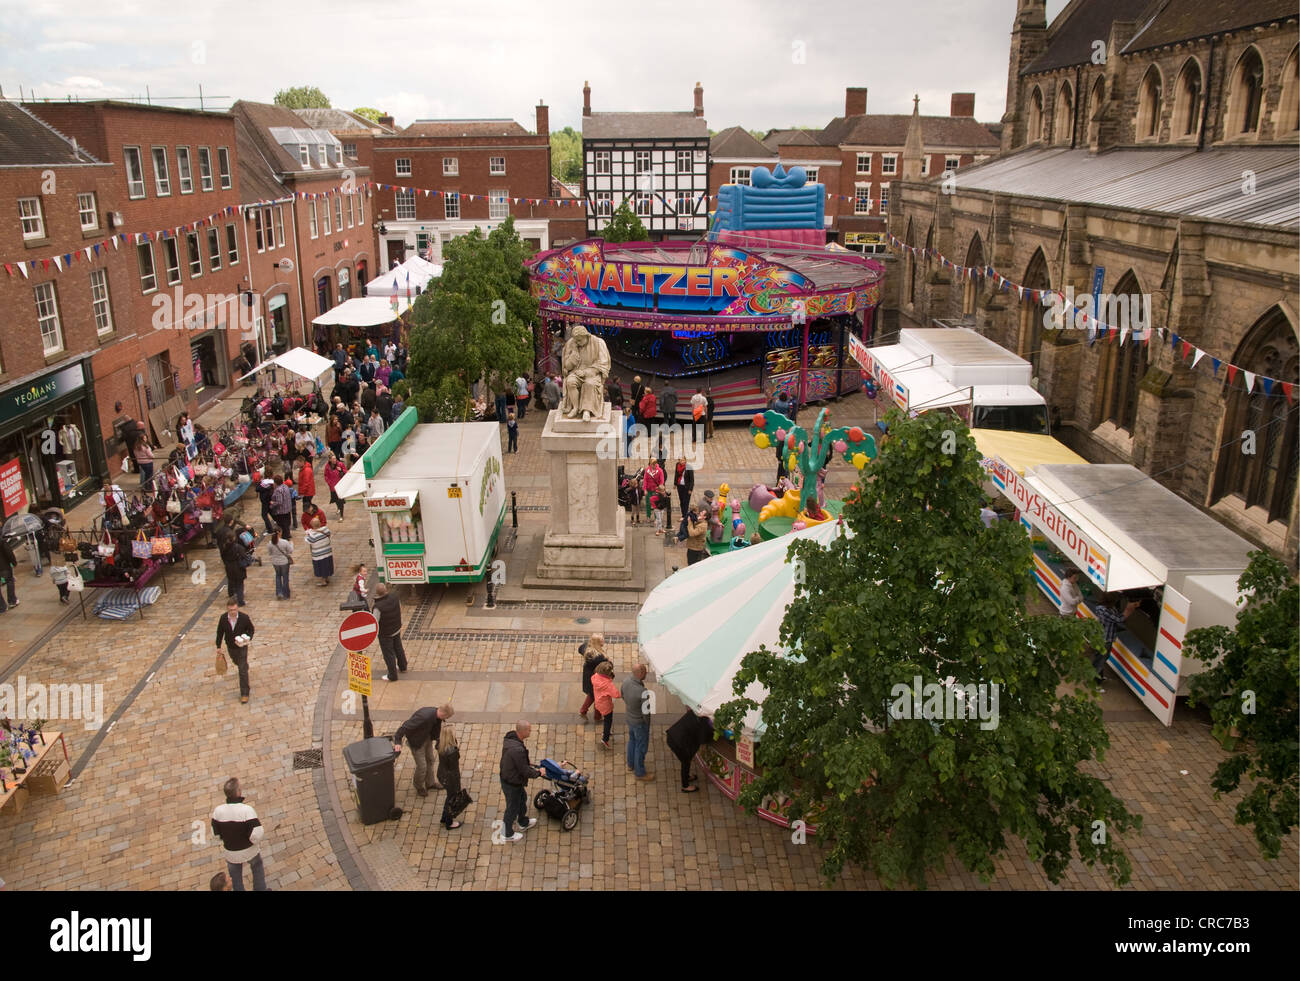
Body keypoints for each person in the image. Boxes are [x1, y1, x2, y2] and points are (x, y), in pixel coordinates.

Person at [211, 778, 268, 891]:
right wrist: (251, 843)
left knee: (235, 878)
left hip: (231, 853)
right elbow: (257, 833)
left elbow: (216, 835)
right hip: (250, 850)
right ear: (238, 792)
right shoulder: (247, 810)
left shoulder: (218, 811)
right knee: (257, 868)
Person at [392, 704, 454, 797]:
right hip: (417, 743)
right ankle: (419, 786)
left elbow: (435, 729)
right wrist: (397, 741)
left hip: (426, 738)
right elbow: (405, 727)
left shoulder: (437, 716)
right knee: (422, 767)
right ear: (443, 714)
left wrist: (437, 740)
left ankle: (430, 783)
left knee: (430, 760)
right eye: (447, 717)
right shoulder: (424, 717)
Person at [499, 720, 543, 841]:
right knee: (512, 808)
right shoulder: (517, 750)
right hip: (512, 782)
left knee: (522, 799)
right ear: (522, 731)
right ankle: (507, 833)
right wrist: (539, 773)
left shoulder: (511, 740)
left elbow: (521, 764)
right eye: (529, 729)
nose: (530, 731)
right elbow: (525, 771)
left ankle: (522, 822)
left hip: (512, 779)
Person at [1091, 594, 1140, 684]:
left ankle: (1099, 676)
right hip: (1105, 639)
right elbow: (1119, 619)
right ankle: (1095, 682)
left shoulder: (1104, 607)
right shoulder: (1104, 610)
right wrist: (1128, 609)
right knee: (1100, 660)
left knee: (1102, 658)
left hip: (1105, 637)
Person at [215, 598, 255, 703]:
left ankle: (245, 693)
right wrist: (218, 646)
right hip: (231, 646)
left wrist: (248, 638)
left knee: (242, 670)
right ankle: (244, 665)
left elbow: (251, 629)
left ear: (237, 608)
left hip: (242, 646)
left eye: (234, 609)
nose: (233, 612)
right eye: (231, 610)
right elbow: (219, 632)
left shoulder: (244, 618)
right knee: (237, 662)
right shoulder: (223, 618)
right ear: (227, 610)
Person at [666, 709, 715, 793]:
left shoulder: (696, 712)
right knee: (686, 762)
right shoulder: (704, 724)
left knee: (685, 761)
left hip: (672, 736)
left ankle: (687, 777)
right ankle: (685, 786)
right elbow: (703, 740)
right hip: (678, 742)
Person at [621, 663, 652, 781]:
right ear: (640, 674)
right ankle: (640, 773)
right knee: (640, 746)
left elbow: (623, 696)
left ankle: (630, 764)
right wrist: (647, 725)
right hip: (639, 723)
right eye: (644, 671)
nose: (646, 673)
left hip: (630, 718)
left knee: (632, 740)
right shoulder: (642, 691)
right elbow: (646, 713)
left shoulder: (625, 681)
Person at [372, 582, 408, 681]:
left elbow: (374, 622)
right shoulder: (395, 597)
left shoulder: (378, 607)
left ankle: (392, 675)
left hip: (385, 633)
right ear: (386, 590)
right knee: (398, 648)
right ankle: (403, 666)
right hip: (396, 628)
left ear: (377, 593)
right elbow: (400, 608)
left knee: (389, 654)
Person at [437, 726, 467, 830]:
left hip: (442, 774)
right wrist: (457, 786)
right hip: (451, 778)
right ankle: (449, 822)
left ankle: (444, 817)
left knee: (449, 797)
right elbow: (454, 768)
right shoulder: (452, 751)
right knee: (452, 799)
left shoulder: (440, 744)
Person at [578, 634, 610, 723]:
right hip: (596, 679)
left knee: (592, 695)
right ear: (598, 643)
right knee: (598, 697)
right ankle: (597, 716)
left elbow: (580, 648)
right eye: (602, 641)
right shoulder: (600, 657)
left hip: (588, 677)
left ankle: (583, 711)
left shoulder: (586, 649)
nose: (604, 641)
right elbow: (608, 665)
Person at [591, 661, 621, 749]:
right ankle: (605, 738)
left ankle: (606, 733)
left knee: (606, 719)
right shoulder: (608, 685)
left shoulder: (595, 677)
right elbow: (616, 695)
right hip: (606, 706)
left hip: (598, 702)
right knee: (608, 721)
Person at [220, 532, 249, 607]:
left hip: (229, 568)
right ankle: (240, 601)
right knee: (239, 585)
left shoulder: (224, 547)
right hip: (238, 568)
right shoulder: (238, 547)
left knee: (233, 583)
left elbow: (223, 558)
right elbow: (245, 557)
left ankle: (233, 597)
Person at [305, 517, 333, 587]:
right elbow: (329, 534)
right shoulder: (326, 529)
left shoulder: (312, 535)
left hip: (318, 554)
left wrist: (308, 533)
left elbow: (308, 540)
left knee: (321, 567)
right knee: (327, 565)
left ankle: (323, 581)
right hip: (327, 551)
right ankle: (326, 578)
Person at [266, 528, 293, 600]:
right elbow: (290, 551)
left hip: (275, 562)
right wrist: (291, 544)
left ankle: (279, 592)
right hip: (284, 562)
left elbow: (270, 553)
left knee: (278, 576)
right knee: (285, 577)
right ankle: (286, 594)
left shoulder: (270, 543)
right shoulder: (284, 542)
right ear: (280, 533)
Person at [643, 459, 665, 530]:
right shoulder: (647, 470)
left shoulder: (660, 471)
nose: (654, 465)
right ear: (650, 464)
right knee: (648, 503)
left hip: (656, 490)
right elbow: (645, 480)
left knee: (656, 504)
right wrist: (645, 489)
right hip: (649, 489)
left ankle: (656, 518)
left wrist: (660, 489)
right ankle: (648, 516)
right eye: (652, 464)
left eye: (655, 464)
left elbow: (662, 481)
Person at [323, 454, 347, 520]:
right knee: (335, 499)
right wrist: (329, 483)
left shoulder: (340, 464)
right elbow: (326, 475)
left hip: (340, 486)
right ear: (330, 460)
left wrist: (341, 470)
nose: (334, 460)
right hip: (332, 487)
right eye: (333, 459)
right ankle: (338, 508)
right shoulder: (327, 466)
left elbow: (345, 472)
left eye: (335, 458)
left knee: (340, 500)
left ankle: (341, 515)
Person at [270, 474, 293, 539]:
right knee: (287, 523)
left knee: (283, 525)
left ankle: (285, 536)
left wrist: (272, 504)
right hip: (288, 509)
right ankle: (288, 534)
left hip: (281, 511)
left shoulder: (278, 490)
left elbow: (279, 502)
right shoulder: (285, 486)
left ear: (275, 482)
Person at [0, 536, 17, 612]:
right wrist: (14, 562)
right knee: (10, 581)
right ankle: (12, 601)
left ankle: (2, 606)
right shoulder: (2, 541)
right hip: (4, 566)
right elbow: (9, 552)